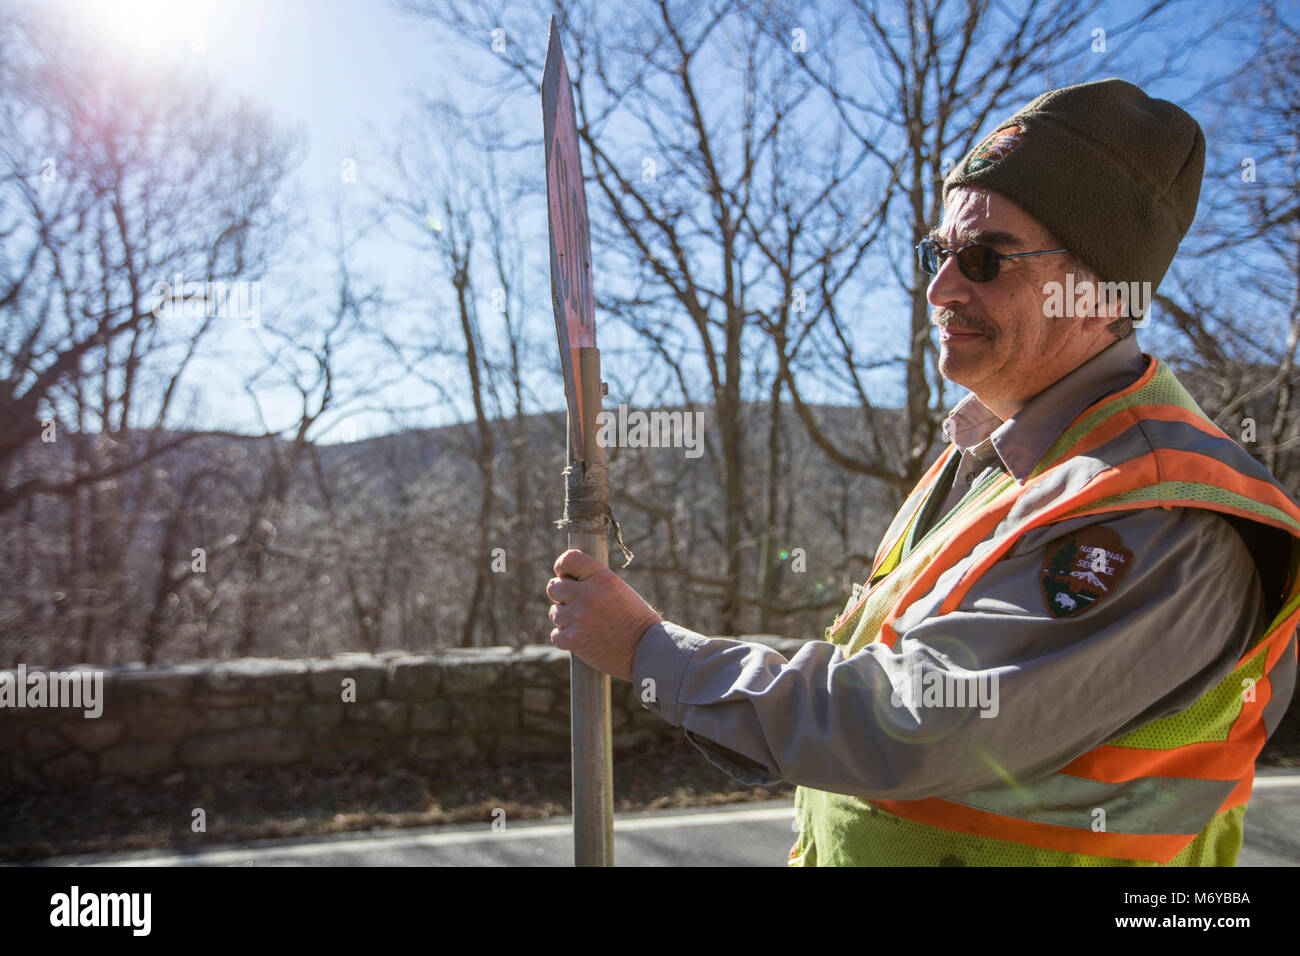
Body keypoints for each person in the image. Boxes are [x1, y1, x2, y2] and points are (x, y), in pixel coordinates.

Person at [545, 78, 1300, 866]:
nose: (940, 288)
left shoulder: (1158, 508)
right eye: (937, 252)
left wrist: (651, 652)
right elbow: (887, 667)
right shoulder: (990, 454)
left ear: (1100, 290)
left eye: (984, 258)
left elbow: (908, 721)